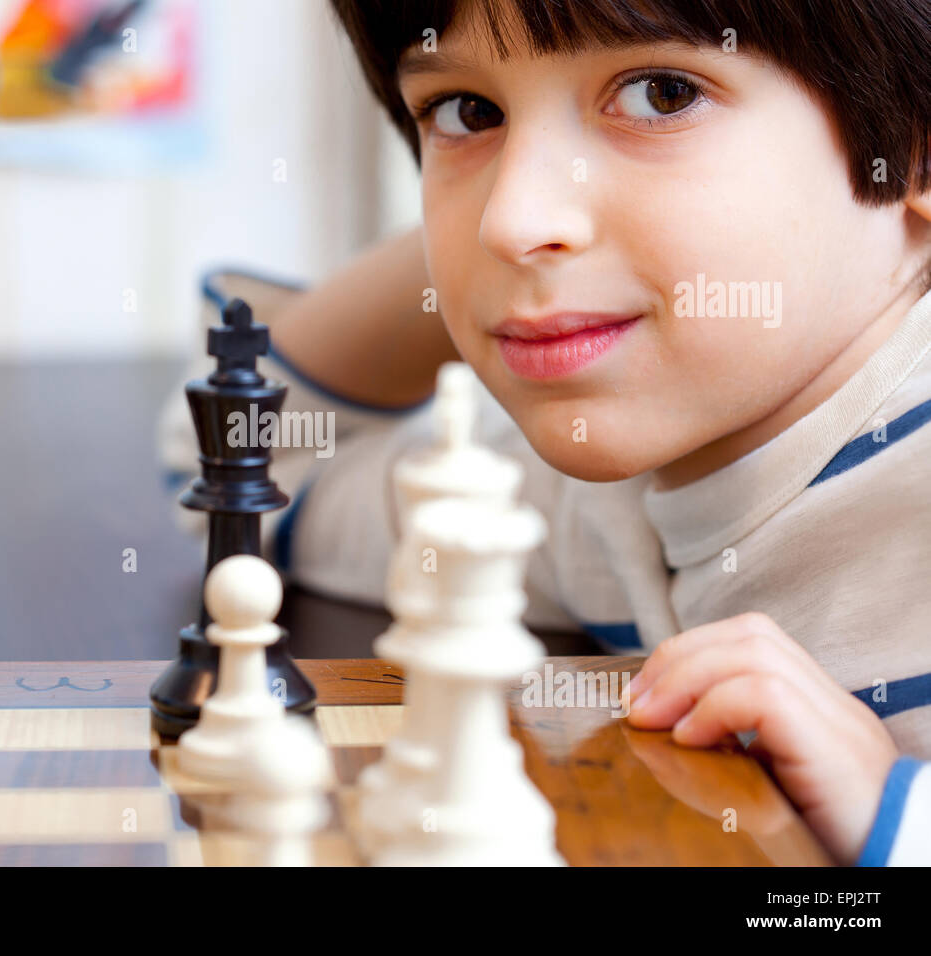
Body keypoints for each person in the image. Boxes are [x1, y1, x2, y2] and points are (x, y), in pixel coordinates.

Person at [160, 0, 931, 864]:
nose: (511, 220)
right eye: (465, 111)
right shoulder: (582, 508)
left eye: (661, 93)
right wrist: (483, 264)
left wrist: (899, 825)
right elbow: (248, 469)